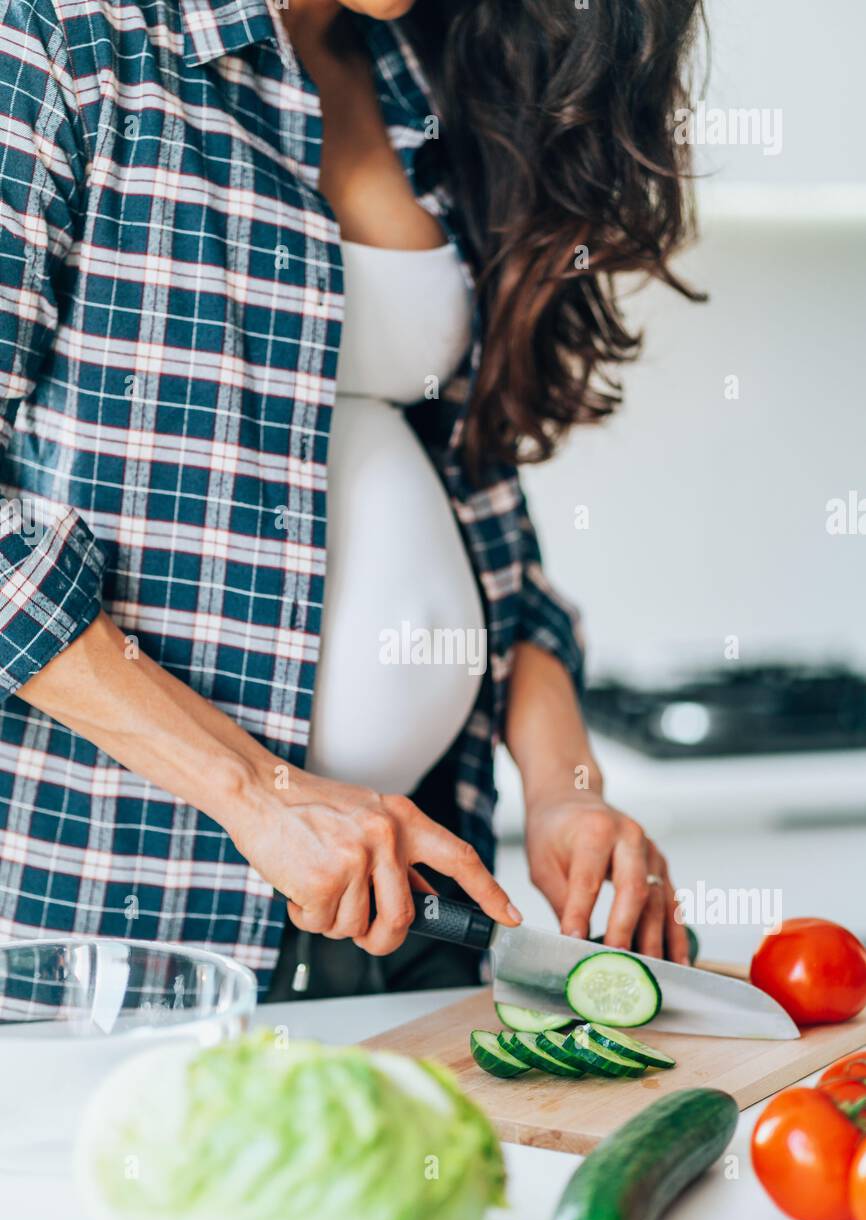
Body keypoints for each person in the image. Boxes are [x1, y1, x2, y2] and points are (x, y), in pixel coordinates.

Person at [0, 0, 703, 1000]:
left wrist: (563, 789)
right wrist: (258, 793)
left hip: (405, 909)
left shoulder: (424, 66)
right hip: (114, 909)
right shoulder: (62, 42)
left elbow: (480, 496)